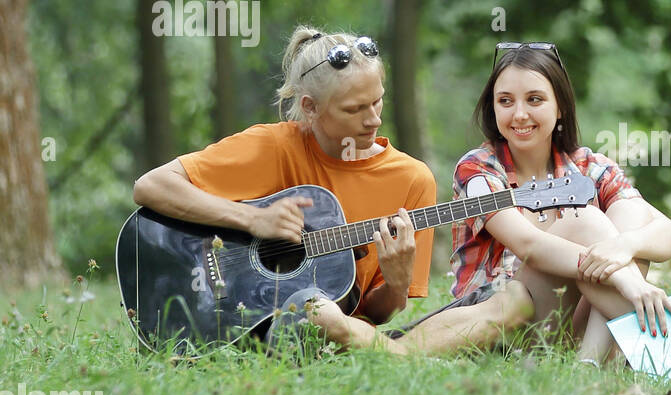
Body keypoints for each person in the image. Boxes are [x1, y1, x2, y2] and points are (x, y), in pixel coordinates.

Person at [132, 26, 441, 348]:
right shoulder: (273, 146)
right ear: (310, 107)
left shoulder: (412, 179)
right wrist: (252, 219)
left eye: (377, 101)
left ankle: (390, 351)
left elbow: (376, 314)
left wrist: (397, 284)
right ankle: (406, 355)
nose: (373, 119)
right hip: (251, 318)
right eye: (354, 109)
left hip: (339, 331)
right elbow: (151, 186)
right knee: (317, 311)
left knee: (322, 312)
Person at [395, 41, 671, 362]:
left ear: (559, 105)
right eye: (505, 101)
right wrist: (623, 277)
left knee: (630, 231)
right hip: (504, 318)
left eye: (534, 100)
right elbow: (528, 244)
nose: (519, 114)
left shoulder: (589, 165)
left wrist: (624, 248)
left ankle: (588, 366)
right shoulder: (478, 168)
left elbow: (669, 235)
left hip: (569, 326)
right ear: (493, 107)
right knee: (588, 224)